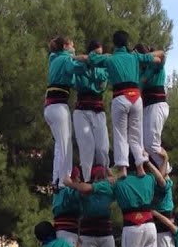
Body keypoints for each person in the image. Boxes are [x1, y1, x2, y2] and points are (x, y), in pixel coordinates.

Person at [76, 31, 164, 175]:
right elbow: (156, 58)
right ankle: (140, 168)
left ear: (114, 43)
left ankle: (123, 169)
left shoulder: (110, 58)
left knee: (120, 134)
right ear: (127, 43)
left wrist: (75, 56)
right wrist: (157, 54)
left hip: (120, 97)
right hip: (136, 98)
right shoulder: (135, 57)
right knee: (136, 135)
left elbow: (89, 59)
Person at [44, 36, 79, 188]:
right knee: (66, 144)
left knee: (59, 144)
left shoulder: (54, 59)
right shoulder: (65, 59)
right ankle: (65, 179)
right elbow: (76, 70)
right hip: (59, 106)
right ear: (65, 46)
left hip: (49, 107)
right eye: (72, 45)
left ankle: (56, 179)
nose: (74, 48)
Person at [73, 40, 110, 182]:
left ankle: (104, 175)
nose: (98, 58)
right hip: (81, 111)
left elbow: (101, 83)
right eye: (96, 54)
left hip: (98, 111)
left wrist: (92, 66)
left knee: (102, 147)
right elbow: (77, 82)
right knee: (87, 147)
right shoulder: (80, 66)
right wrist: (84, 62)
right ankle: (87, 179)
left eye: (100, 55)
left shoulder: (102, 68)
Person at [74, 165, 117, 247]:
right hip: (88, 234)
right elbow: (82, 189)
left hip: (105, 233)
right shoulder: (86, 189)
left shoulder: (107, 187)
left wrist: (109, 172)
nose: (100, 179)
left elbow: (115, 183)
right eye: (98, 176)